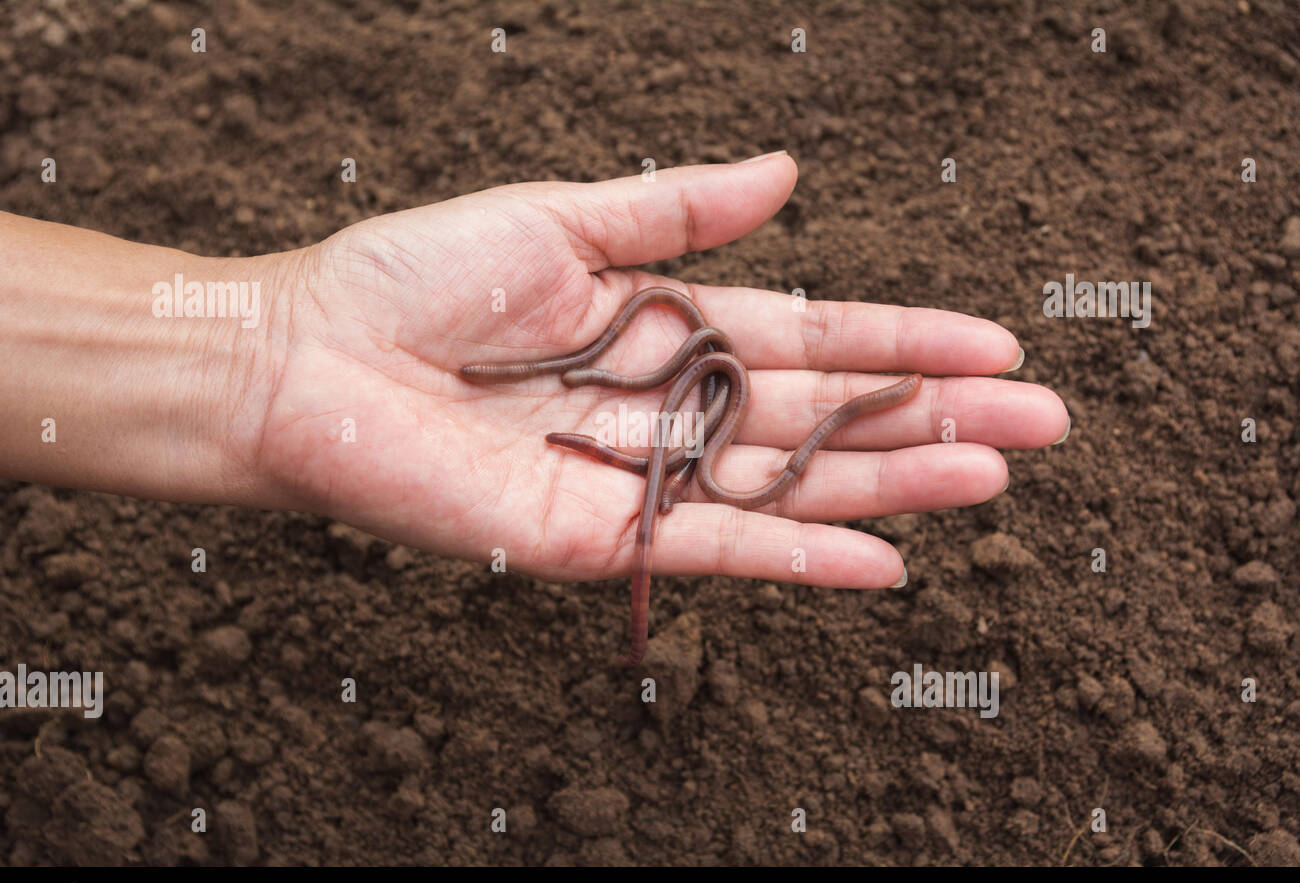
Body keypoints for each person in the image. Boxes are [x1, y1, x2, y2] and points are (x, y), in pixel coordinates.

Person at [0, 152, 1068, 589]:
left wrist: (272, 341)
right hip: (660, 403)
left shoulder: (687, 371)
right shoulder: (662, 360)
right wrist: (277, 341)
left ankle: (634, 429)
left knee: (672, 437)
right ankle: (624, 425)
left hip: (670, 407)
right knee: (652, 424)